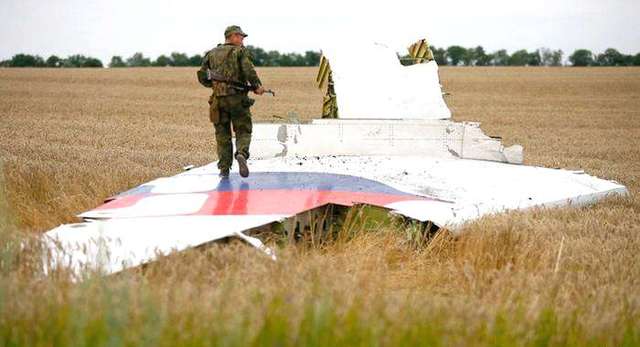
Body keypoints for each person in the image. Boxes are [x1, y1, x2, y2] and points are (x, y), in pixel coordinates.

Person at [198, 25, 265, 178]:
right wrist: (257, 86)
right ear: (233, 36)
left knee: (222, 135)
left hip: (217, 100)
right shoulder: (239, 52)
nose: (242, 40)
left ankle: (224, 169)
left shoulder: (211, 54)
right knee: (243, 129)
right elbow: (249, 70)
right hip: (237, 99)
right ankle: (241, 153)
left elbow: (202, 76)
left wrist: (215, 86)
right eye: (241, 37)